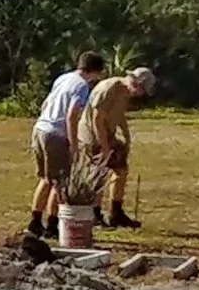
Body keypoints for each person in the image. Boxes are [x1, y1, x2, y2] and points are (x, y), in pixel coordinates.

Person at [28, 52, 107, 239]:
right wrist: (73, 144)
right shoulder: (81, 86)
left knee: (46, 179)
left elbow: (46, 103)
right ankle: (52, 224)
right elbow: (72, 115)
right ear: (95, 71)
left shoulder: (63, 78)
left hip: (40, 128)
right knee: (60, 182)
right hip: (56, 134)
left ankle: (35, 221)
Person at [72, 66, 158, 229]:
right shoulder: (108, 89)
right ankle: (94, 213)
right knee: (99, 174)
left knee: (121, 170)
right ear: (135, 83)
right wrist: (104, 147)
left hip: (108, 135)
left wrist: (126, 136)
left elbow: (119, 115)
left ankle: (116, 213)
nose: (140, 95)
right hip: (92, 137)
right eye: (141, 90)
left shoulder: (125, 93)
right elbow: (97, 119)